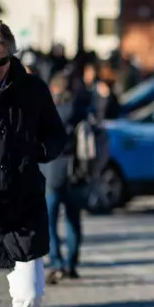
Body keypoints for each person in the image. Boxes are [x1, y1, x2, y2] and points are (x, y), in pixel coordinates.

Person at [0, 16, 67, 307]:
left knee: (30, 294)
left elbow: (56, 135)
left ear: (11, 55)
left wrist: (36, 151)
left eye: (2, 61)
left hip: (24, 207)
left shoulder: (33, 88)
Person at [40, 71, 89, 285]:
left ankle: (57, 262)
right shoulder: (81, 111)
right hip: (76, 172)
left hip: (52, 172)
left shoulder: (49, 111)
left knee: (49, 221)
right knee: (73, 220)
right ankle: (71, 264)